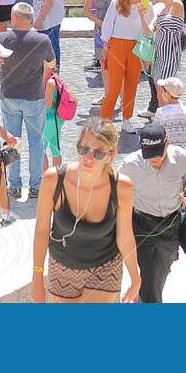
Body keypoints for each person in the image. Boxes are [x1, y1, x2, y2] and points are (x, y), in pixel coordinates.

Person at [30, 117, 139, 303]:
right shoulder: (53, 180)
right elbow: (41, 231)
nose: (88, 158)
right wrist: (37, 277)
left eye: (98, 154)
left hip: (106, 265)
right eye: (83, 149)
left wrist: (135, 277)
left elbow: (125, 236)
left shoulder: (122, 187)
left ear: (111, 155)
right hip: (63, 265)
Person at [121, 122, 186, 302]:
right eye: (149, 155)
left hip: (171, 226)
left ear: (167, 143)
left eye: (158, 154)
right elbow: (117, 194)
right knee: (150, 276)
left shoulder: (180, 157)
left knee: (161, 272)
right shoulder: (131, 165)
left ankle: (142, 295)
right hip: (142, 226)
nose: (154, 160)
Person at [0, 2, 57, 200]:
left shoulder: (2, 38)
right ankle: (35, 186)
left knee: (12, 140)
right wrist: (42, 77)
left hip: (9, 95)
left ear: (14, 18)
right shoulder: (42, 39)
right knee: (36, 142)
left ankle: (14, 185)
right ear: (30, 19)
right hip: (33, 97)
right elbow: (52, 64)